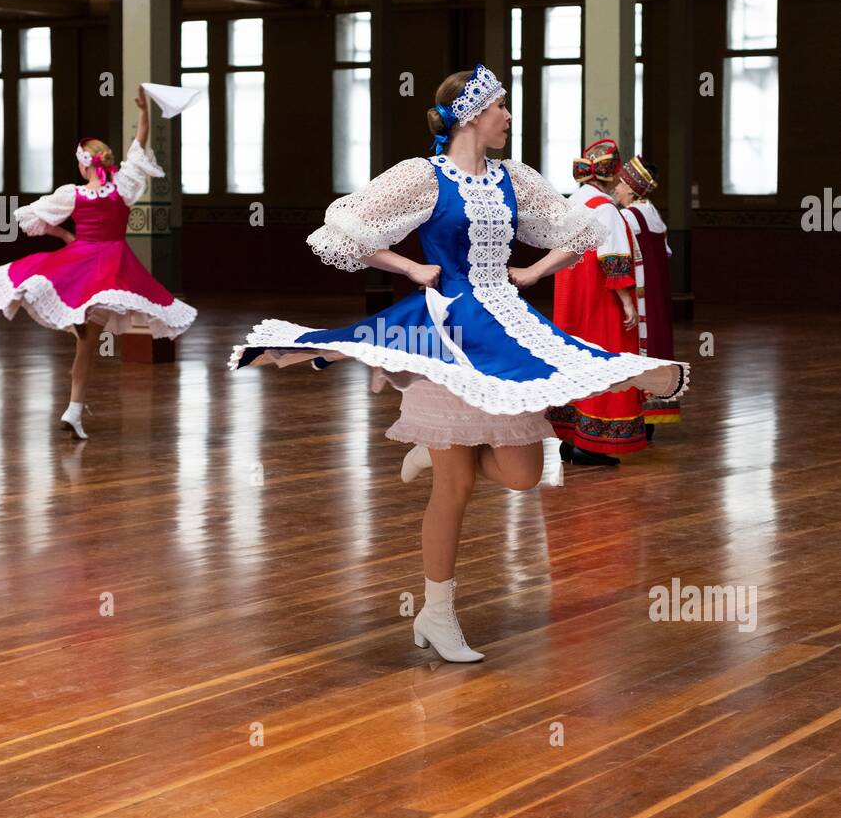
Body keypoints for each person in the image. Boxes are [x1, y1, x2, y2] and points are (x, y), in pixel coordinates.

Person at [230, 66, 687, 663]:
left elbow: (578, 229)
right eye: (501, 107)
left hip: (505, 327)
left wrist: (533, 272)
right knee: (457, 487)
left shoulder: (513, 178)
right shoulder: (422, 176)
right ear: (471, 115)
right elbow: (342, 231)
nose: (508, 117)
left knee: (526, 474)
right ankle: (436, 612)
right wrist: (409, 269)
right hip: (444, 334)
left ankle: (429, 451)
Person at [0, 86, 196, 440]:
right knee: (89, 341)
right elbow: (138, 147)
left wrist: (66, 237)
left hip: (81, 263)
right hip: (111, 268)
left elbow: (33, 217)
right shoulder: (122, 188)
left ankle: (75, 405)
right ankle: (74, 407)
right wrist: (144, 113)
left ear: (84, 165)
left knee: (85, 338)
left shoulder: (75, 194)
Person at [547, 139, 650, 466]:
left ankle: (571, 436)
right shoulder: (605, 210)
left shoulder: (570, 205)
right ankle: (592, 443)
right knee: (606, 363)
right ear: (612, 176)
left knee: (575, 361)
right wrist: (628, 303)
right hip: (599, 303)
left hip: (571, 301)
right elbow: (614, 259)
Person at [617, 155, 680, 436]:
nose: (617, 188)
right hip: (658, 295)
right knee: (656, 346)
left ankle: (634, 415)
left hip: (641, 294)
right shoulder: (654, 213)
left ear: (630, 188)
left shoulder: (629, 216)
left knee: (640, 350)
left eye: (620, 183)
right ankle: (652, 418)